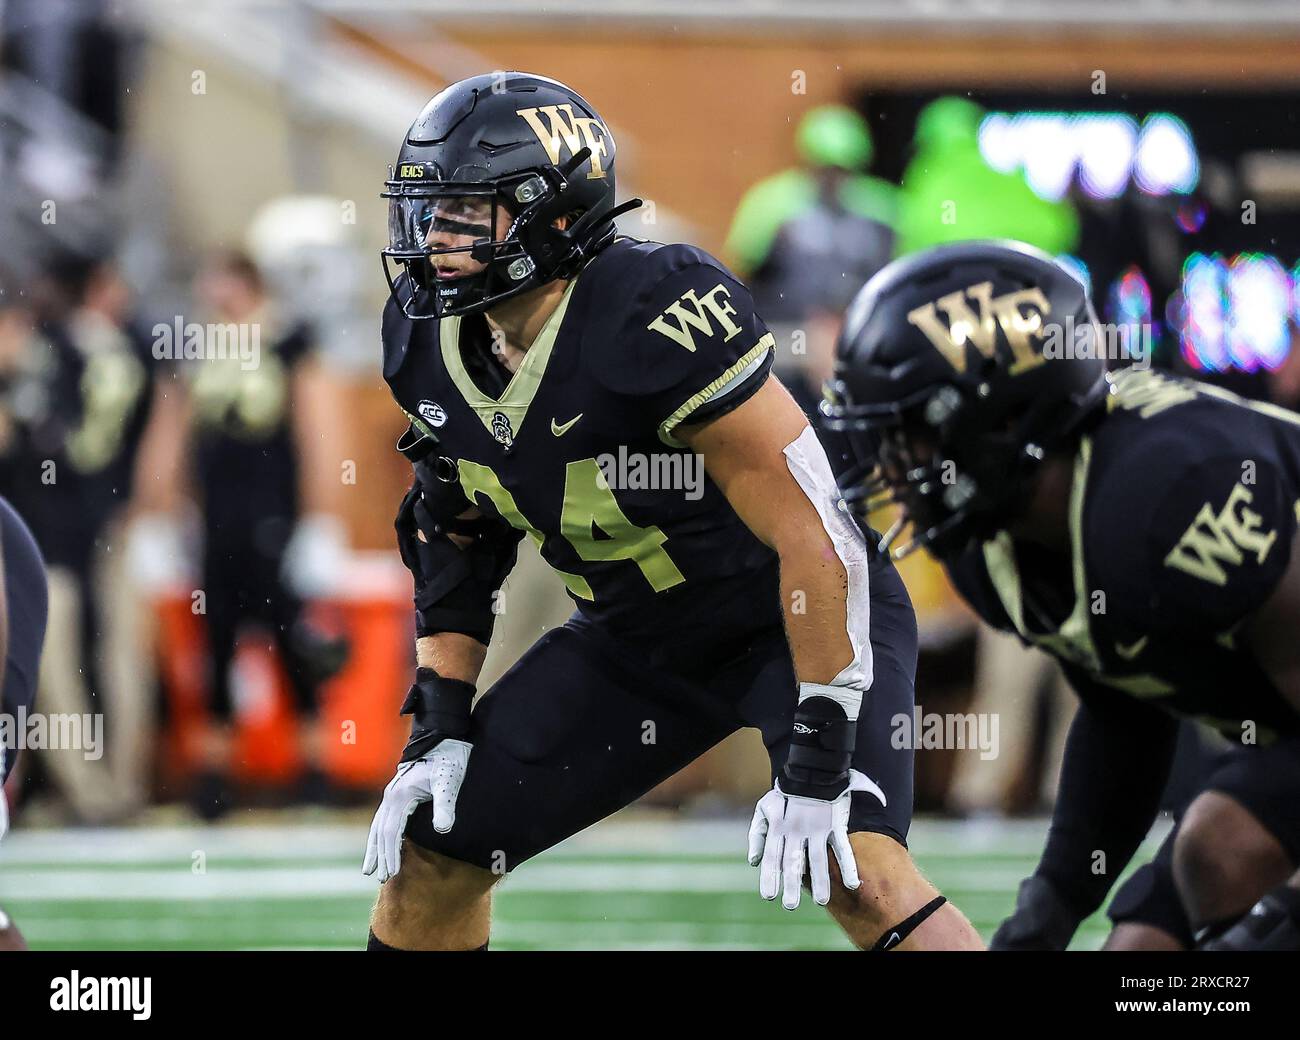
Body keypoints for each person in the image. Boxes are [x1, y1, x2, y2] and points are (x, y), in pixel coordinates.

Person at [361, 71, 981, 951]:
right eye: (430, 210)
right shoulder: (425, 337)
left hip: (790, 611)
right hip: (637, 637)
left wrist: (818, 743)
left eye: (468, 212)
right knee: (433, 856)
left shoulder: (649, 305)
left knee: (859, 870)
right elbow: (455, 532)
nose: (437, 238)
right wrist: (438, 720)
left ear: (556, 215)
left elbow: (815, 528)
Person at [823, 239, 1300, 950]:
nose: (894, 466)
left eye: (912, 435)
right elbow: (1126, 715)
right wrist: (1054, 905)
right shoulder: (999, 546)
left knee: (1222, 852)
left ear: (1004, 418)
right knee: (1143, 949)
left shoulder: (1167, 492)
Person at [184, 250, 349, 818]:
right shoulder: (204, 345)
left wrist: (321, 514)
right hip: (218, 520)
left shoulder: (286, 339)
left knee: (291, 639)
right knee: (218, 641)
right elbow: (186, 432)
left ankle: (315, 768)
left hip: (272, 514)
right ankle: (214, 775)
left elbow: (314, 426)